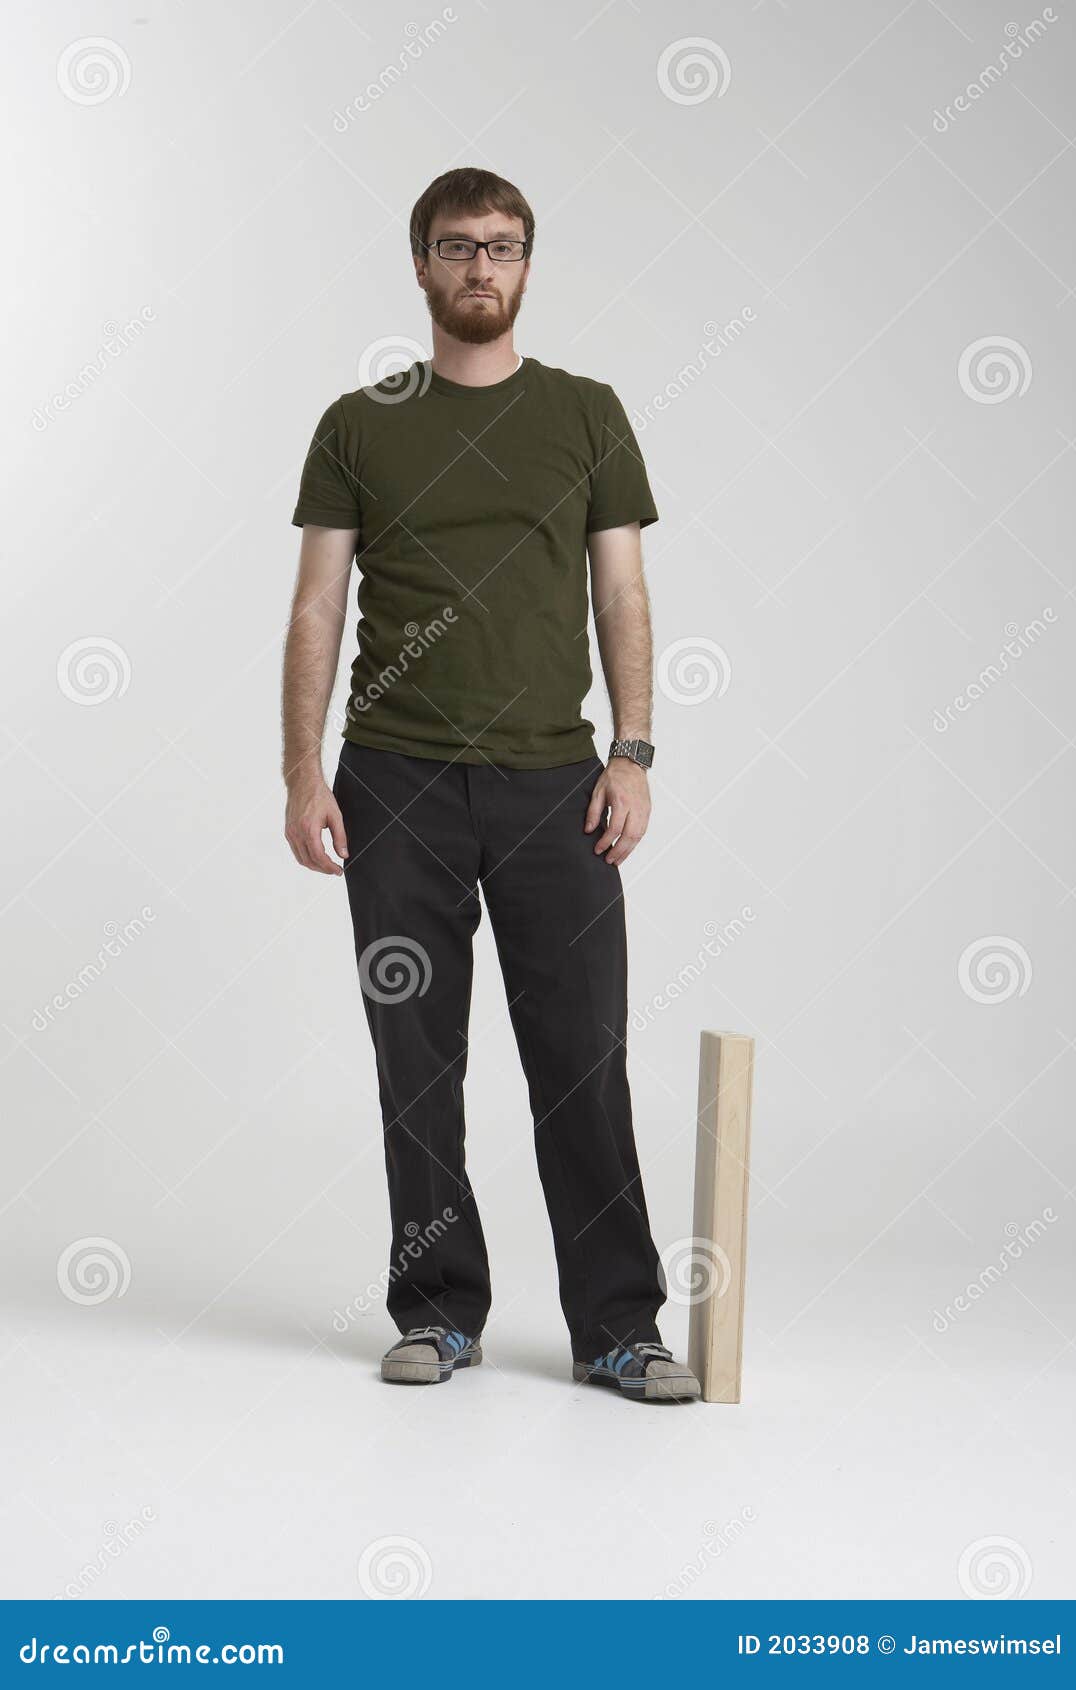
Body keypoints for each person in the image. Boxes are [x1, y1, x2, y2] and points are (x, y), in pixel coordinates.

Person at [282, 167, 699, 1403]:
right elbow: (317, 603)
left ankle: (619, 1327)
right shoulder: (360, 423)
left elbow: (619, 592)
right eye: (456, 247)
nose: (480, 267)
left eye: (502, 246)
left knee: (582, 1052)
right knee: (414, 1054)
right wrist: (302, 769)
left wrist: (633, 750)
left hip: (553, 786)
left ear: (527, 266)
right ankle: (437, 1308)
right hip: (393, 782)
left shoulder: (587, 414)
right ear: (420, 266)